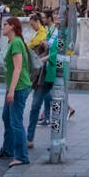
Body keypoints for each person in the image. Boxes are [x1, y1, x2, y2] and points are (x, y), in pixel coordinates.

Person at [0, 16, 31, 168]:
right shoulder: (12, 42)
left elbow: (18, 68)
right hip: (13, 87)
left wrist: (11, 91)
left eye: (5, 25)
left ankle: (22, 156)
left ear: (12, 27)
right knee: (7, 118)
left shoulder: (16, 42)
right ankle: (8, 149)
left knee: (15, 122)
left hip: (19, 87)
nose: (3, 27)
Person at [25, 13, 57, 150]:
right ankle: (29, 138)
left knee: (58, 108)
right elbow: (49, 47)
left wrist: (46, 58)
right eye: (56, 14)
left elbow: (63, 52)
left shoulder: (65, 32)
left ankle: (58, 139)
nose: (57, 16)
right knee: (35, 106)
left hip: (56, 72)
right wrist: (45, 45)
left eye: (60, 13)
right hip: (44, 74)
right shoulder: (51, 31)